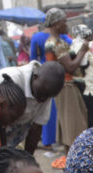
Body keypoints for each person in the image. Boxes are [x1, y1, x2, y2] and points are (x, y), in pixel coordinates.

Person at [0, 61, 64, 152]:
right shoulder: (13, 80)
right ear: (35, 77)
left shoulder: (46, 90)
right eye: (41, 93)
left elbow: (35, 129)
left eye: (48, 96)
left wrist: (29, 160)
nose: (43, 99)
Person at [29, 9, 79, 148]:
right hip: (62, 79)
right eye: (64, 21)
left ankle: (49, 141)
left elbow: (33, 60)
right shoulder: (63, 40)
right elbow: (74, 50)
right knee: (60, 112)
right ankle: (62, 141)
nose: (66, 24)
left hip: (44, 78)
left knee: (47, 110)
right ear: (57, 23)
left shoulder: (37, 37)